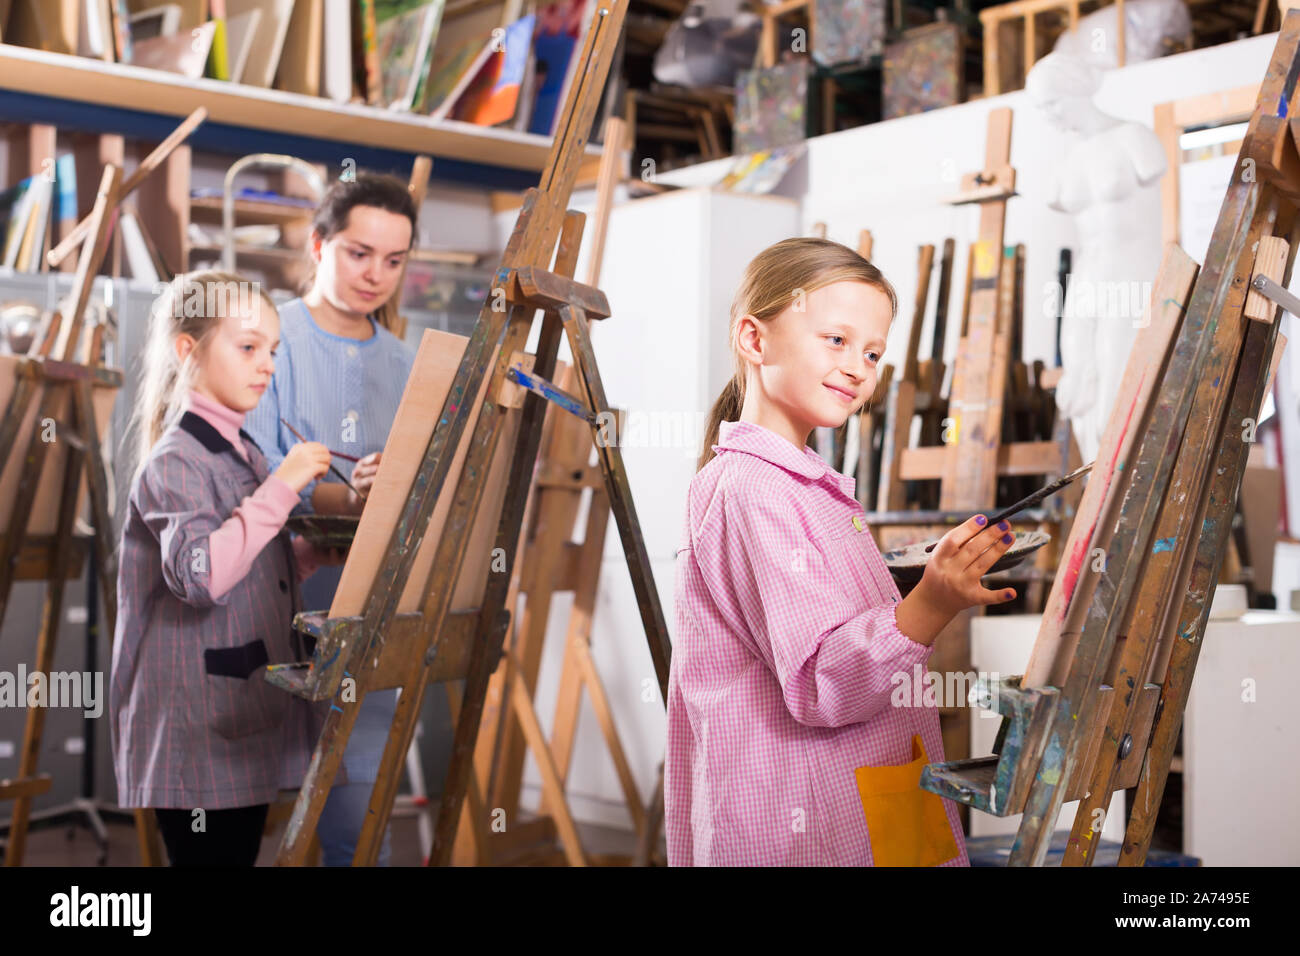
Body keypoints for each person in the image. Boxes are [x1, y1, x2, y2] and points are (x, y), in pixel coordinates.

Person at [666, 237, 1018, 866]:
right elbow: (822, 682)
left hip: (854, 796)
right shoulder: (753, 487)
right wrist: (931, 603)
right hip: (794, 819)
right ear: (755, 340)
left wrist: (912, 582)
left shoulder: (806, 483)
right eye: (836, 340)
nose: (858, 366)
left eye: (874, 352)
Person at [111, 271, 336, 866]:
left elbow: (250, 560)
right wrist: (285, 486)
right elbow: (205, 575)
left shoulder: (244, 451)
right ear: (188, 351)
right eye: (247, 347)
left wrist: (315, 553)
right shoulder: (176, 462)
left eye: (272, 351)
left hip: (235, 716)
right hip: (195, 728)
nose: (266, 365)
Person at [245, 173, 418, 866]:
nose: (376, 274)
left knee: (354, 811)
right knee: (239, 805)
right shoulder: (264, 338)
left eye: (394, 260)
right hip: (263, 594)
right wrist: (345, 498)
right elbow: (252, 464)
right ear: (319, 245)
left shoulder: (412, 366)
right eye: (357, 253)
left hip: (368, 601)